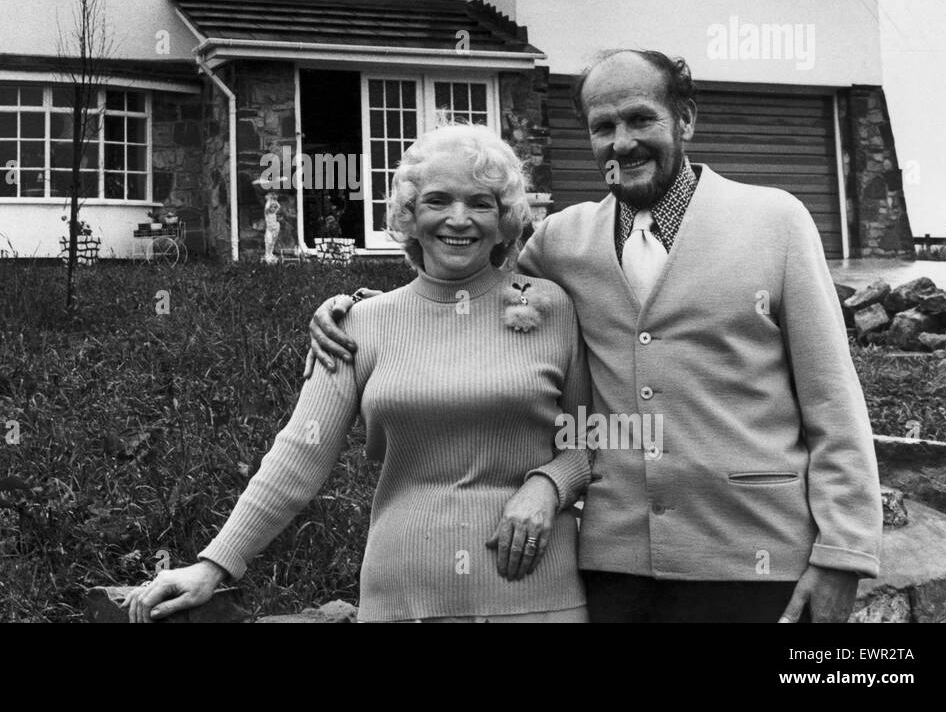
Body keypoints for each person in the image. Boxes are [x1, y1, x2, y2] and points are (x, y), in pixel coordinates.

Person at [308, 50, 881, 623]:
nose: (622, 142)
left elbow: (832, 399)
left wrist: (844, 552)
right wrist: (359, 307)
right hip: (616, 570)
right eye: (603, 127)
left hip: (756, 561)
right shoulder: (561, 242)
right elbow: (469, 287)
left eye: (640, 119)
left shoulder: (776, 222)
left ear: (685, 118)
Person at [127, 124, 593, 622]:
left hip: (539, 595)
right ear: (410, 215)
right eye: (438, 200)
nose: (459, 220)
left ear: (503, 219)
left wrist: (550, 483)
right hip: (403, 596)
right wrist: (215, 564)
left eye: (480, 203)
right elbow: (300, 453)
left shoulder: (550, 307)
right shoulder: (359, 323)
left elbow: (588, 439)